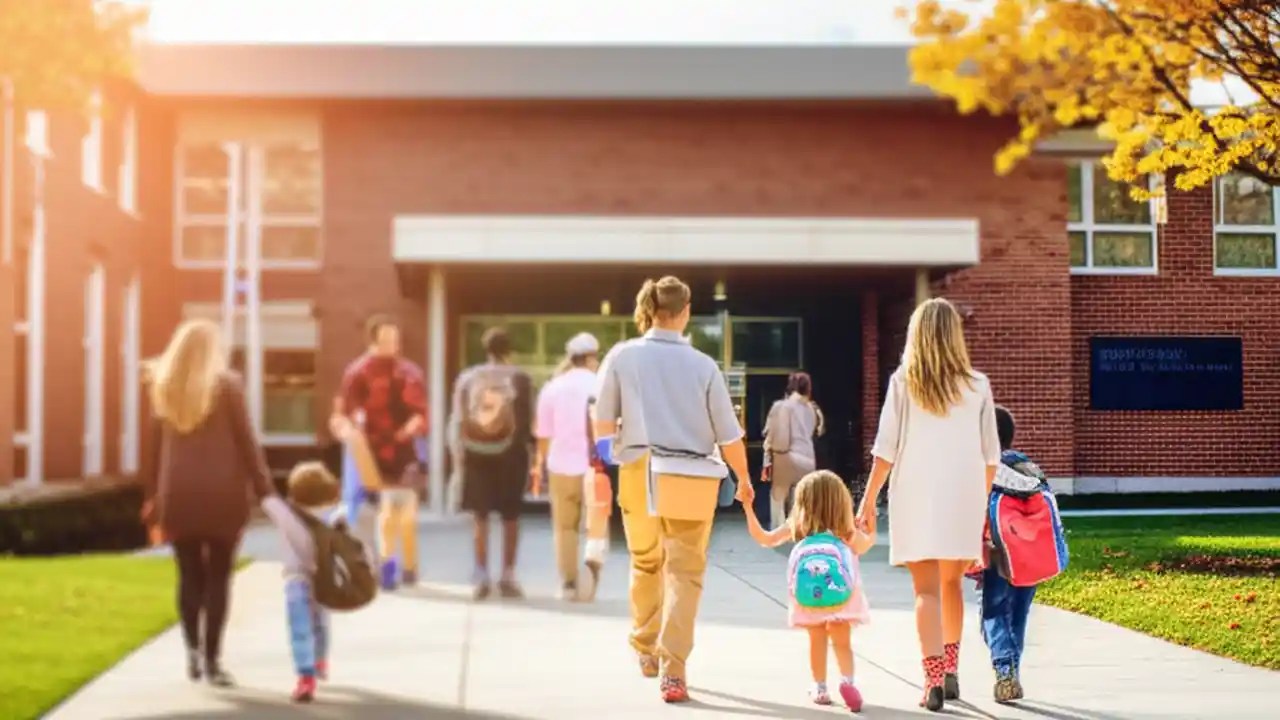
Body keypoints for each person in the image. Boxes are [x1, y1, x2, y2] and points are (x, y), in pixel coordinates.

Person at [595, 275, 752, 704]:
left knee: (646, 563)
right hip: (691, 475)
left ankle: (645, 648)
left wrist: (612, 459)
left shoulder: (622, 357)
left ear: (649, 310)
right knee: (685, 573)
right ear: (685, 312)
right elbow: (729, 436)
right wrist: (744, 480)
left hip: (639, 468)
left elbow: (602, 423)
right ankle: (673, 668)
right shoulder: (703, 366)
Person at [856, 297, 999, 712]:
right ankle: (952, 670)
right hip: (963, 498)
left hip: (915, 497)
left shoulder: (903, 383)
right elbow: (991, 457)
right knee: (952, 584)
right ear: (954, 336)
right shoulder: (978, 387)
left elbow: (885, 450)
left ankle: (932, 680)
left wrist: (867, 502)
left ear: (916, 336)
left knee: (925, 591)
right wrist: (982, 506)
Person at [141, 319, 277, 687]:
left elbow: (152, 453)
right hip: (223, 495)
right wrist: (267, 493)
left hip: (178, 495)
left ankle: (192, 654)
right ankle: (213, 660)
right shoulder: (228, 386)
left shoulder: (163, 388)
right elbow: (247, 443)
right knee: (219, 576)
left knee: (188, 574)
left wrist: (152, 496)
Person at [743, 470, 873, 710]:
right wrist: (870, 527)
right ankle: (847, 681)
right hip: (842, 597)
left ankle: (820, 687)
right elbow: (866, 544)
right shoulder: (847, 532)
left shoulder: (798, 527)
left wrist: (748, 508)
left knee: (816, 640)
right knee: (842, 643)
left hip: (810, 596)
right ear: (841, 501)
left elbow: (765, 538)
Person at [330, 315, 427, 590]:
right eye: (386, 340)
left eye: (395, 340)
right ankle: (378, 564)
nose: (392, 345)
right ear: (373, 341)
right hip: (367, 449)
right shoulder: (358, 373)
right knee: (360, 507)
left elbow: (421, 411)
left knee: (403, 510)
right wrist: (352, 436)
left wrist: (411, 430)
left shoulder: (409, 372)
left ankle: (405, 567)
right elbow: (345, 412)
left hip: (404, 449)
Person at [978, 406, 1063, 704]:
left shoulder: (985, 468)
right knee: (1018, 615)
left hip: (998, 554)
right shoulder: (1029, 468)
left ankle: (1005, 669)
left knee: (992, 614)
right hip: (1031, 553)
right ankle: (1010, 670)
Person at [450, 326, 536, 600]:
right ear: (509, 351)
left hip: (475, 455)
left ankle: (481, 575)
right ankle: (508, 576)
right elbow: (528, 423)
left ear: (485, 350)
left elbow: (456, 420)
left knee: (480, 517)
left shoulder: (467, 378)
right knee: (511, 517)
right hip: (511, 456)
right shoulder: (520, 378)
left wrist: (458, 458)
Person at [260, 461, 340, 704]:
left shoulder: (286, 515)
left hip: (297, 580)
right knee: (321, 623)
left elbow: (267, 499)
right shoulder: (332, 516)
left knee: (300, 629)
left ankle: (306, 676)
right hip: (324, 580)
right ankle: (320, 660)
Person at [533, 332, 604, 601]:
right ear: (590, 358)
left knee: (565, 527)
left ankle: (569, 583)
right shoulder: (601, 385)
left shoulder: (553, 387)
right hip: (595, 468)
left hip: (561, 466)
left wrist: (539, 464)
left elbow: (542, 433)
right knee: (596, 525)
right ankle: (592, 573)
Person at [763, 371, 825, 530]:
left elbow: (772, 434)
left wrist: (768, 460)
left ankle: (779, 530)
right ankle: (799, 528)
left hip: (786, 456)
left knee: (778, 496)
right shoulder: (813, 409)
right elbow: (818, 431)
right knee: (799, 497)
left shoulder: (781, 406)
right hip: (808, 458)